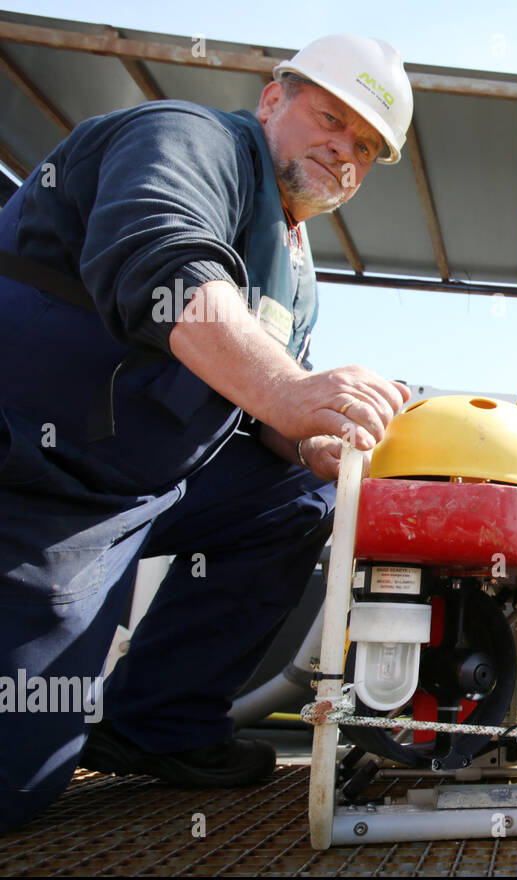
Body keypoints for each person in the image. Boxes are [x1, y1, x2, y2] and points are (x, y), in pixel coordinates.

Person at [0, 35, 414, 832]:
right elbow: (160, 259)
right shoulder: (191, 139)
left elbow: (262, 418)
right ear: (272, 99)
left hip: (142, 491)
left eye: (366, 146)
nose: (346, 151)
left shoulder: (294, 265)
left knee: (299, 497)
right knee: (16, 782)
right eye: (333, 118)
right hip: (41, 477)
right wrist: (291, 390)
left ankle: (157, 724)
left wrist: (311, 441)